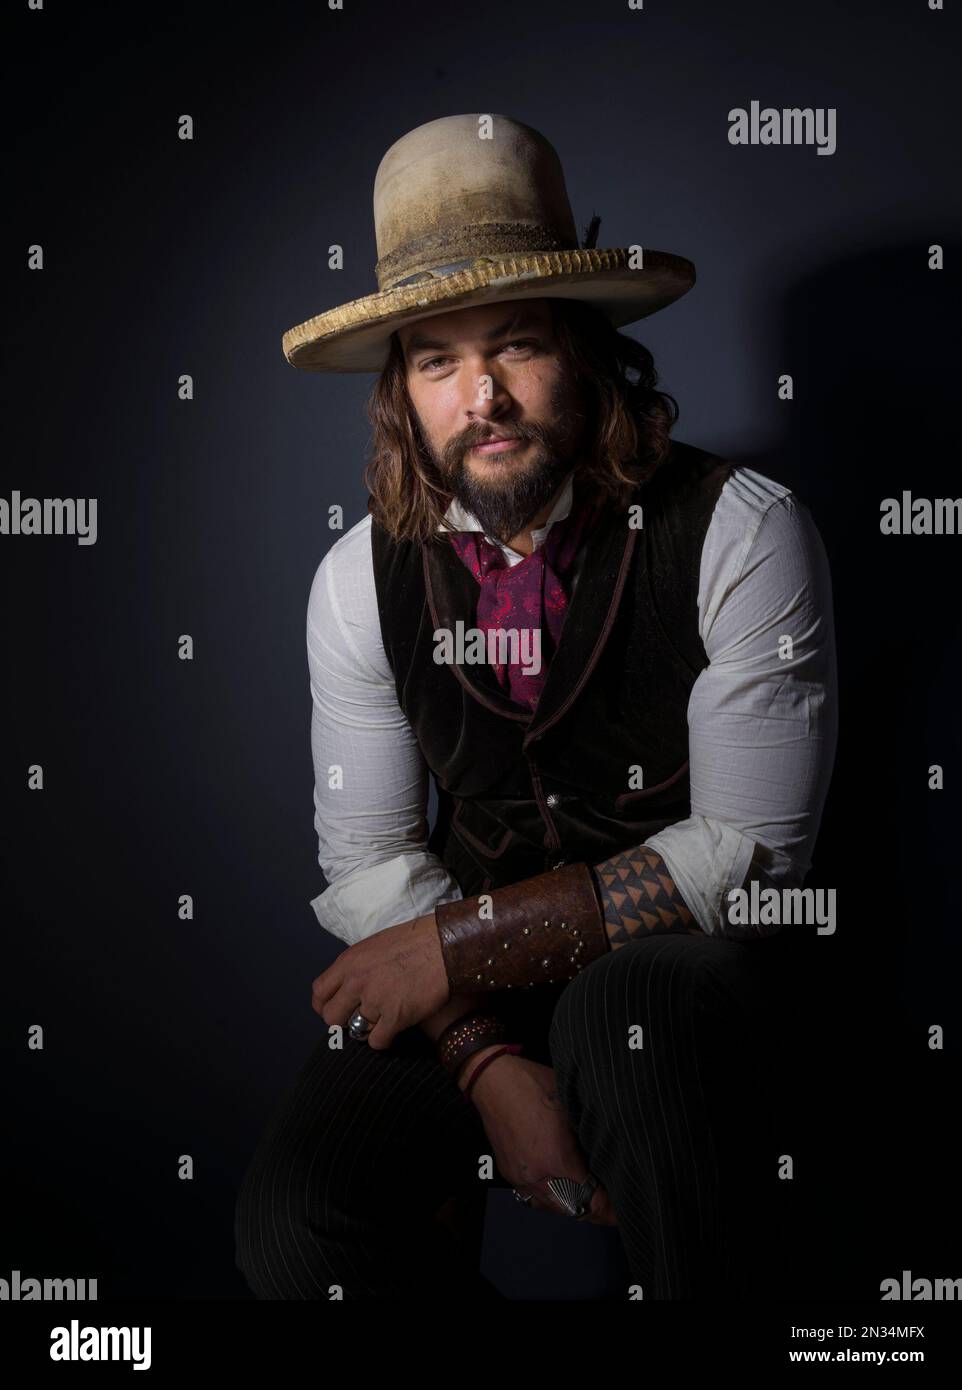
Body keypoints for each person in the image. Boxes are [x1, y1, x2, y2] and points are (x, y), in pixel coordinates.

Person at [234, 112, 838, 1300]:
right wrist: (482, 1060)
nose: (484, 397)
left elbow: (750, 859)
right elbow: (367, 864)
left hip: (690, 978)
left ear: (588, 349)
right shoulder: (355, 580)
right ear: (399, 397)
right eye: (437, 360)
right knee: (298, 1222)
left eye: (515, 346)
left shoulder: (740, 528)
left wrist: (452, 945)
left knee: (638, 1012)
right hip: (463, 1002)